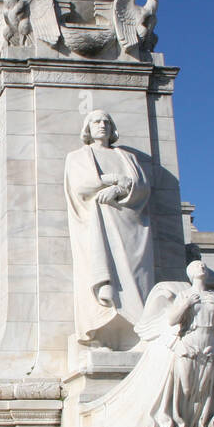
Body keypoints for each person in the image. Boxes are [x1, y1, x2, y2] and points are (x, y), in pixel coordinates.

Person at [64, 110, 153, 350]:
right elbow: (81, 186)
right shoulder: (79, 156)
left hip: (131, 228)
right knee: (99, 277)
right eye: (96, 121)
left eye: (106, 121)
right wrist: (113, 179)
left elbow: (142, 186)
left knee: (135, 280)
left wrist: (121, 190)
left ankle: (138, 334)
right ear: (88, 128)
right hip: (97, 227)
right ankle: (99, 336)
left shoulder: (127, 156)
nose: (102, 125)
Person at [134, 260, 214, 427]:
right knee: (186, 389)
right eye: (196, 265)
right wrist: (184, 305)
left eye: (203, 265)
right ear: (190, 273)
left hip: (209, 346)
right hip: (189, 344)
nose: (201, 267)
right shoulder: (184, 295)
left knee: (202, 392)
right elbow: (171, 320)